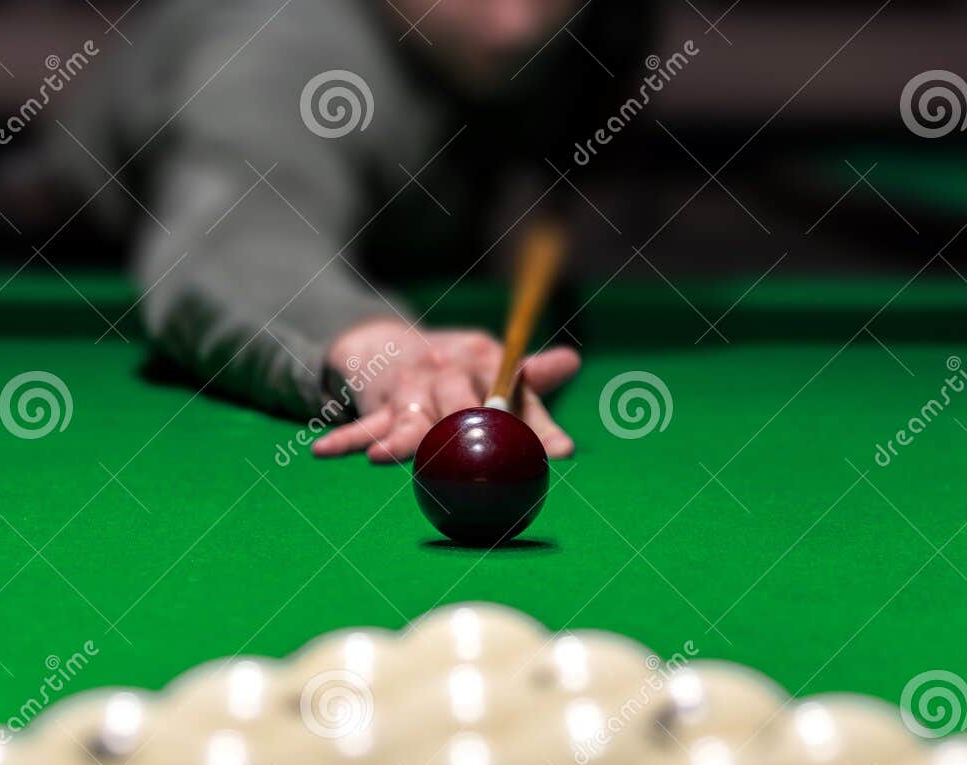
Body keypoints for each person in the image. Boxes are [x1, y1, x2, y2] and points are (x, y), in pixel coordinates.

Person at [47, 0, 649, 462]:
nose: (516, 26)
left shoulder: (580, 32)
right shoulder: (274, 46)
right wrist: (373, 345)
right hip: (63, 257)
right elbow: (241, 230)